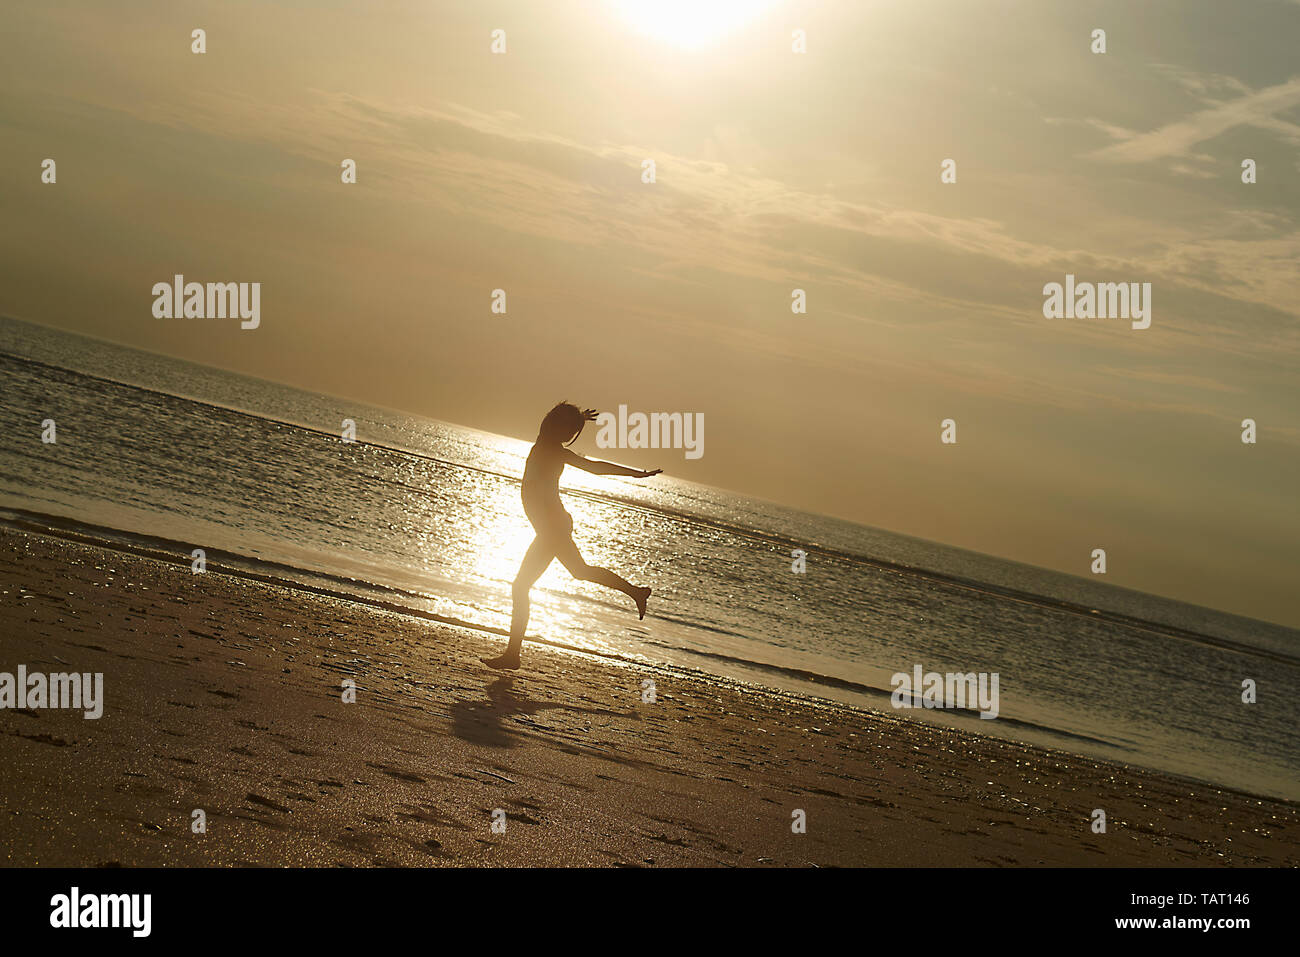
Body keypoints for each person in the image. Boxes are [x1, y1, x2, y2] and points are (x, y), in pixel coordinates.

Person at [483, 402, 661, 670]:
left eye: (570, 431)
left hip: (552, 527)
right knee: (578, 571)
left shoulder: (554, 451)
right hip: (551, 526)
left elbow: (596, 468)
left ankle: (512, 655)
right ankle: (635, 592)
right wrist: (579, 418)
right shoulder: (544, 442)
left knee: (522, 586)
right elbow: (551, 419)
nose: (566, 434)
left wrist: (638, 474)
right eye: (565, 428)